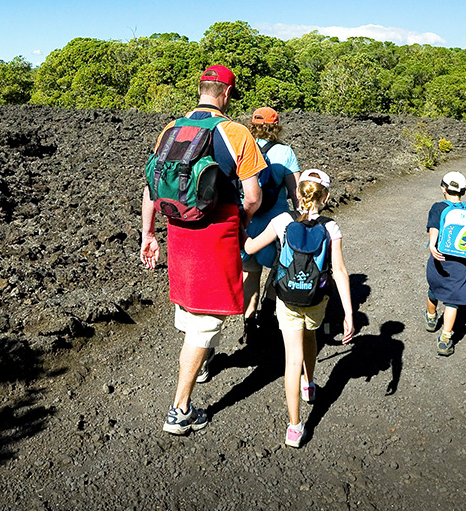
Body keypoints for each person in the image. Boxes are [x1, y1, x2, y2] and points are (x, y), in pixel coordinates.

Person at [140, 64, 267, 436]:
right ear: (226, 94)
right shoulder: (236, 132)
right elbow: (254, 197)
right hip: (216, 234)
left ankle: (203, 362)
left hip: (177, 231)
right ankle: (180, 410)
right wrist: (241, 220)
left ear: (201, 89)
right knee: (205, 318)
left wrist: (148, 233)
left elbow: (151, 186)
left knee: (189, 307)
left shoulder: (170, 130)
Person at [243, 168, 355, 447]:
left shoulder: (282, 220)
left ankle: (294, 427)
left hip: (286, 298)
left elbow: (252, 246)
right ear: (326, 197)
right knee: (311, 336)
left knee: (291, 359)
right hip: (317, 299)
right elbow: (340, 271)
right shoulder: (331, 228)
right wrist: (349, 314)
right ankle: (310, 383)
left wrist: (236, 224)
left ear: (298, 192)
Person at [239, 106, 300, 342]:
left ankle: (249, 321)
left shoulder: (242, 149)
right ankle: (269, 306)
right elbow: (296, 194)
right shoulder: (285, 153)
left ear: (252, 124)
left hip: (247, 222)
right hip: (275, 225)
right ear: (276, 126)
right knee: (279, 268)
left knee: (249, 275)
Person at [425, 170, 466, 357]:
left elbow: (434, 226)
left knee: (434, 289)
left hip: (438, 258)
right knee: (453, 301)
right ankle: (445, 338)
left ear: (443, 188)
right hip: (459, 263)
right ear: (464, 192)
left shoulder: (438, 207)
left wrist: (432, 245)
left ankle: (432, 317)